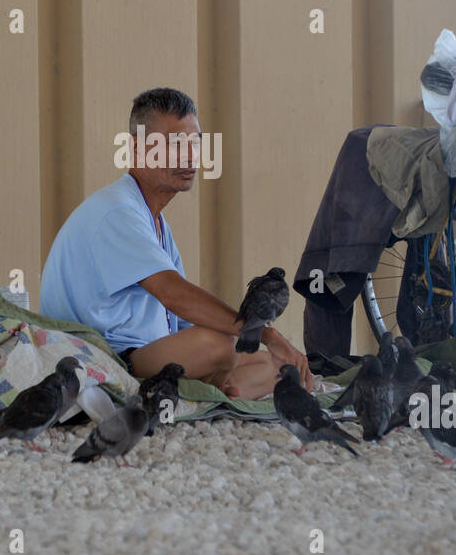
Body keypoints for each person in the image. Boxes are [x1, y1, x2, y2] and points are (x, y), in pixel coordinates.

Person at [40, 87, 313, 399]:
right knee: (220, 346)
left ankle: (215, 391)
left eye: (194, 144)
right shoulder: (117, 211)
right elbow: (175, 295)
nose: (188, 156)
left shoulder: (153, 219)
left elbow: (181, 320)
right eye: (172, 145)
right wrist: (267, 333)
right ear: (136, 148)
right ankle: (202, 391)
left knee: (278, 366)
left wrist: (262, 345)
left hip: (158, 351)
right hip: (113, 360)